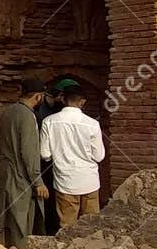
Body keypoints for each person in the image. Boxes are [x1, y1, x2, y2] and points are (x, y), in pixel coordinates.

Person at [39, 83, 106, 225]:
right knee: (92, 225)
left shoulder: (48, 122)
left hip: (65, 181)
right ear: (82, 101)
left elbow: (45, 155)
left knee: (67, 226)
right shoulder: (92, 124)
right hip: (90, 181)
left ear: (63, 99)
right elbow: (99, 156)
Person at [0, 78, 47, 248]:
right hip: (21, 176)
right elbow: (29, 151)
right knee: (22, 220)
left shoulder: (7, 112)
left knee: (10, 219)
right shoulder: (27, 116)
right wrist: (38, 181)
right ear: (38, 96)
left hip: (7, 173)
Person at [33, 77, 74, 235]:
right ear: (60, 96)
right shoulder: (40, 111)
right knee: (48, 201)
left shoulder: (57, 111)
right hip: (46, 165)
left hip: (60, 165)